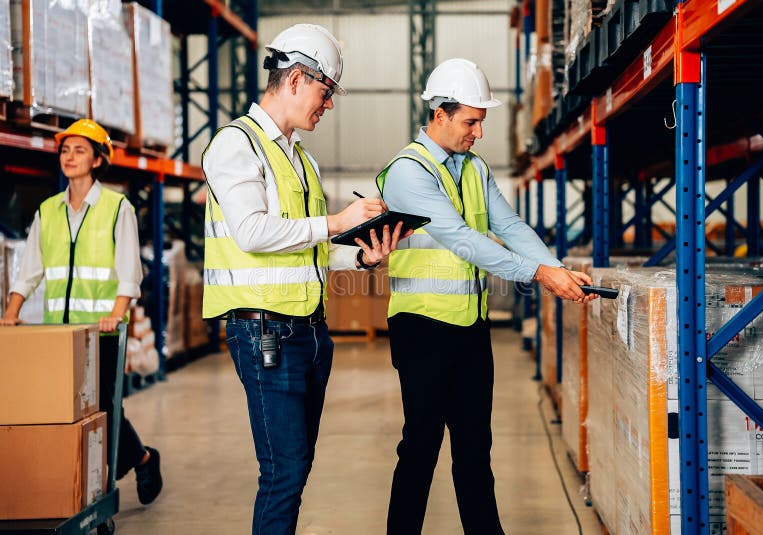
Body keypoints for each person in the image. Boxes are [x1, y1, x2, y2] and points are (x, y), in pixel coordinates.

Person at [201, 24, 408, 535]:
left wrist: (360, 259)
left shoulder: (302, 161)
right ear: (295, 78)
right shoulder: (236, 145)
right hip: (264, 332)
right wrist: (338, 222)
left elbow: (310, 251)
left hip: (309, 334)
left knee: (295, 468)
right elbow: (251, 231)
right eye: (326, 91)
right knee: (283, 472)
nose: (328, 105)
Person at [376, 58, 598, 535]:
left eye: (481, 121)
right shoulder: (406, 173)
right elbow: (463, 239)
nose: (478, 132)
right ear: (440, 114)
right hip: (423, 328)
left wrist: (558, 270)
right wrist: (539, 274)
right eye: (470, 121)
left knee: (476, 448)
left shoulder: (473, 168)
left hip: (470, 328)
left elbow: (509, 225)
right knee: (421, 446)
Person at [0, 118, 163, 505]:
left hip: (101, 332)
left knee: (103, 408)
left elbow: (129, 272)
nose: (69, 157)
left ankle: (130, 465)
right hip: (59, 336)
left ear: (97, 160)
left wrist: (117, 313)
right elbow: (29, 272)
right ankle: (114, 467)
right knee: (63, 410)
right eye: (65, 150)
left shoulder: (115, 208)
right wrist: (11, 311)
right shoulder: (48, 211)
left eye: (79, 150)